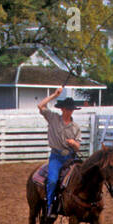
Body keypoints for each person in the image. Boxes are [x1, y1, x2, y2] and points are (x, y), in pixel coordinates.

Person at [37, 86, 81, 217]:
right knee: (52, 180)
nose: (69, 112)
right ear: (62, 109)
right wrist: (54, 95)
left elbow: (78, 146)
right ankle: (50, 206)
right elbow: (40, 106)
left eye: (71, 110)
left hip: (70, 157)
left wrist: (74, 144)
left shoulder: (76, 127)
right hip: (56, 157)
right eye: (67, 109)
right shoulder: (53, 118)